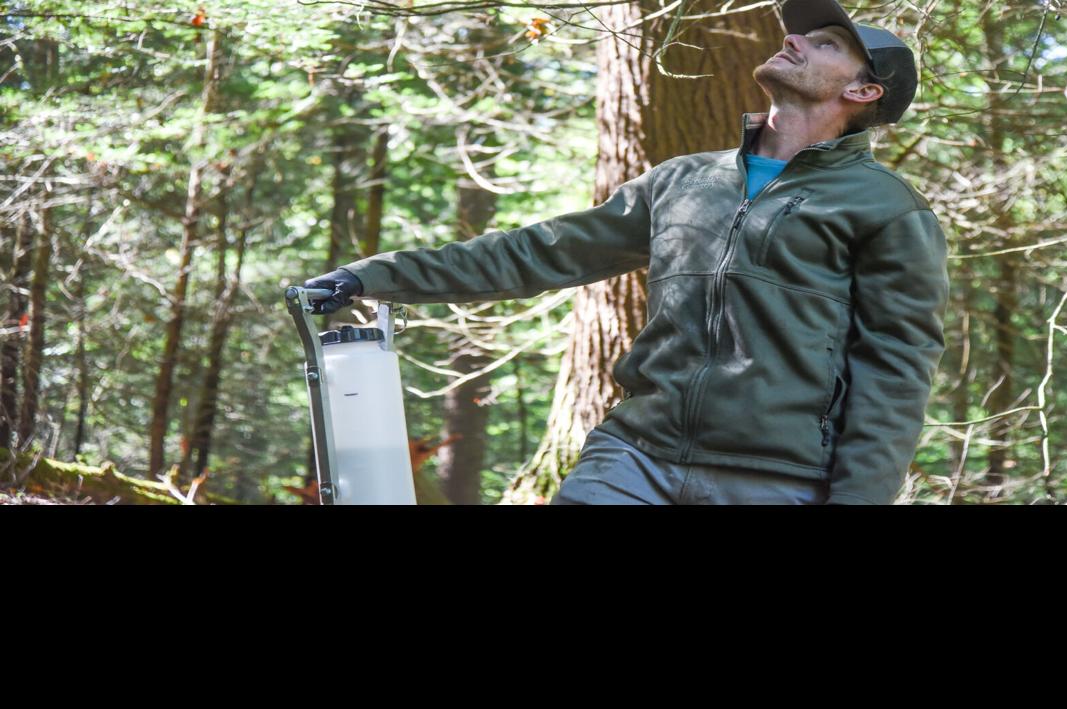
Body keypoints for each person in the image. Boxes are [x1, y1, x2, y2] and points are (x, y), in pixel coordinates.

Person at [302, 0, 947, 505]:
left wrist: (859, 495)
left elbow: (896, 366)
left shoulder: (886, 207)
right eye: (804, 33)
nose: (795, 39)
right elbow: (537, 253)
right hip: (635, 454)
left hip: (778, 476)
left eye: (827, 44)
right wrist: (372, 277)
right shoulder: (683, 180)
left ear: (863, 92)